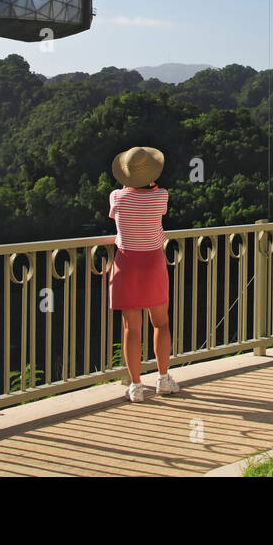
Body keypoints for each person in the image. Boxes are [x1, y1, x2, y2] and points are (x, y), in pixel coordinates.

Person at [108, 145, 179, 402]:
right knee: (160, 322)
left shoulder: (117, 197)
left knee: (131, 328)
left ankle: (136, 386)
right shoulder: (161, 196)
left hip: (126, 263)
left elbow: (116, 216)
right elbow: (158, 211)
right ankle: (163, 378)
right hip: (153, 262)